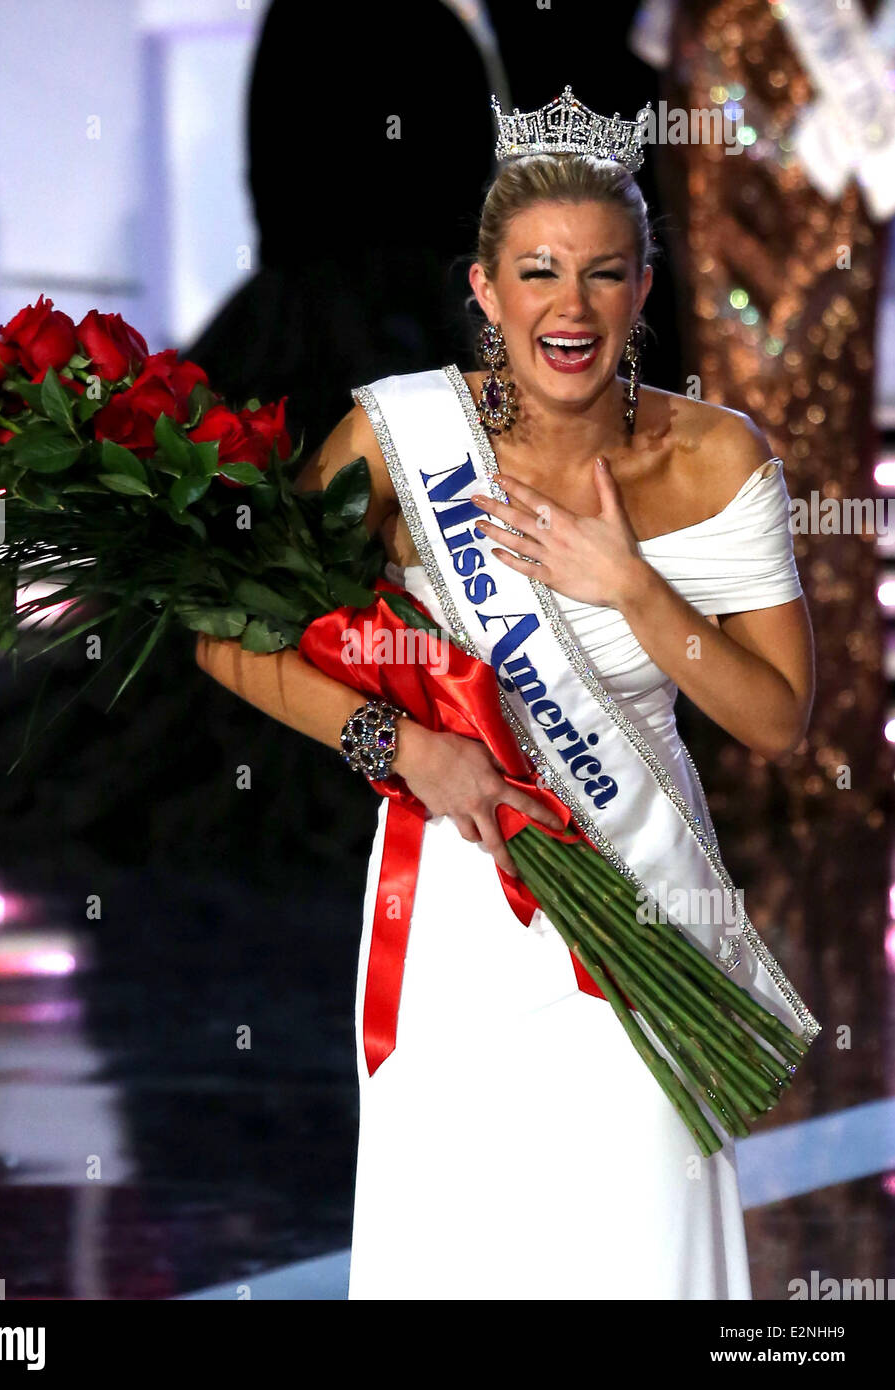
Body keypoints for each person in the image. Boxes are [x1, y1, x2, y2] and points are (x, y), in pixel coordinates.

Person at [195, 87, 817, 1300]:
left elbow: (777, 718)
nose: (567, 307)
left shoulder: (717, 457)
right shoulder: (399, 436)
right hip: (457, 911)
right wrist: (394, 745)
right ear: (483, 290)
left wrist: (631, 588)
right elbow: (229, 634)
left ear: (642, 291)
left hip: (642, 912)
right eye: (537, 273)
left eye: (600, 274)